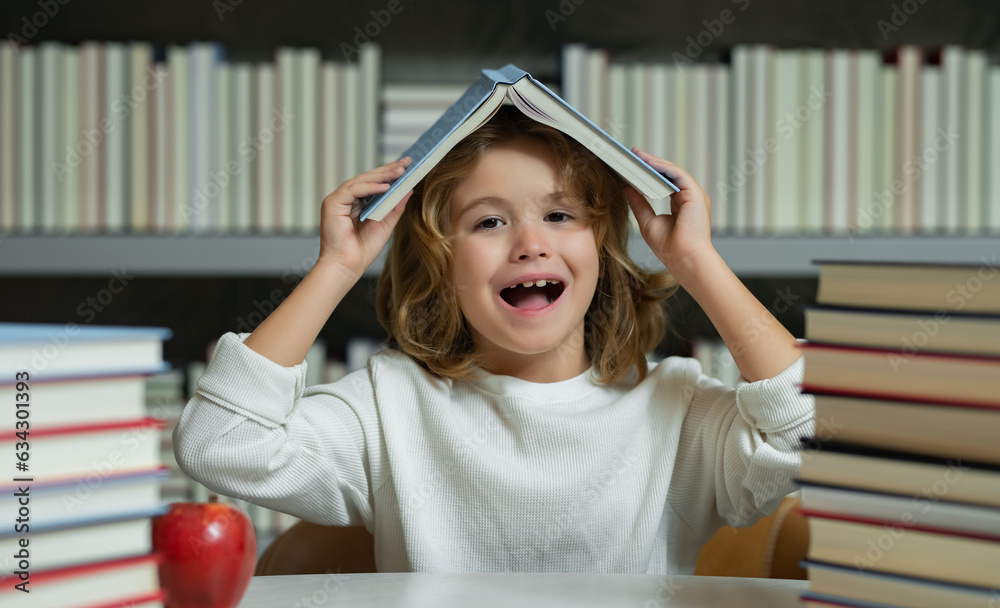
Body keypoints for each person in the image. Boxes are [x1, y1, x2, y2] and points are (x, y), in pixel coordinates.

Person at [173, 106, 814, 574]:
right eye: (489, 221)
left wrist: (695, 259)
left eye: (560, 215)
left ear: (602, 250)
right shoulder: (391, 405)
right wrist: (338, 266)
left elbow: (815, 435)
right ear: (442, 262)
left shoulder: (676, 410)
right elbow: (221, 444)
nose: (531, 242)